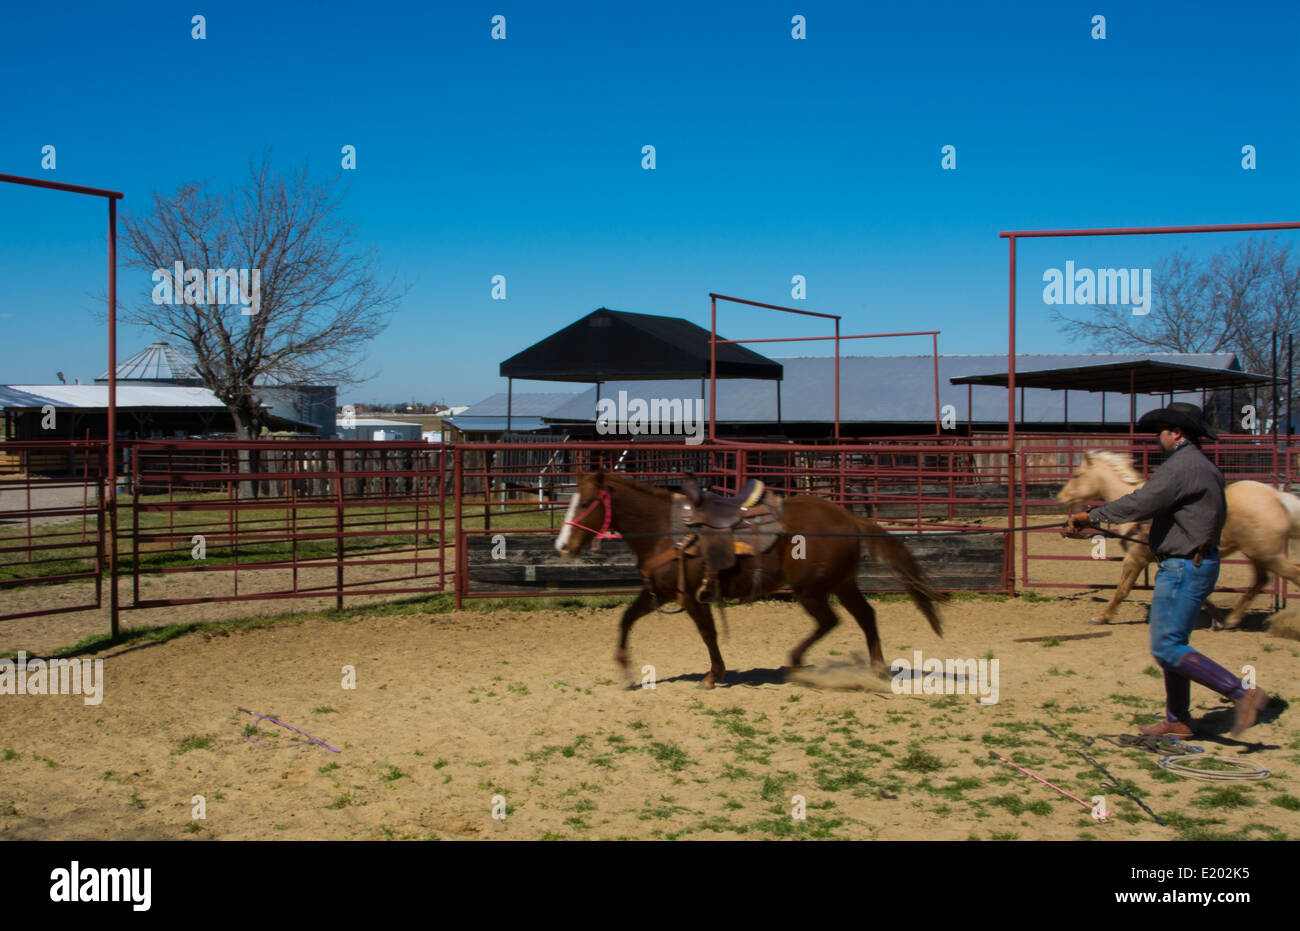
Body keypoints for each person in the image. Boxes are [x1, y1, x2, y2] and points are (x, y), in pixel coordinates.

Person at [1065, 402, 1268, 738]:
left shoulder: (1181, 467)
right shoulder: (1203, 466)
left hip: (1184, 566)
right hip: (1195, 563)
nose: (1158, 437)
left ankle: (1240, 691)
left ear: (1176, 433)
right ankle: (1179, 719)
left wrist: (1092, 516)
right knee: (1174, 645)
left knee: (1167, 647)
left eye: (1162, 430)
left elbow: (1142, 501)